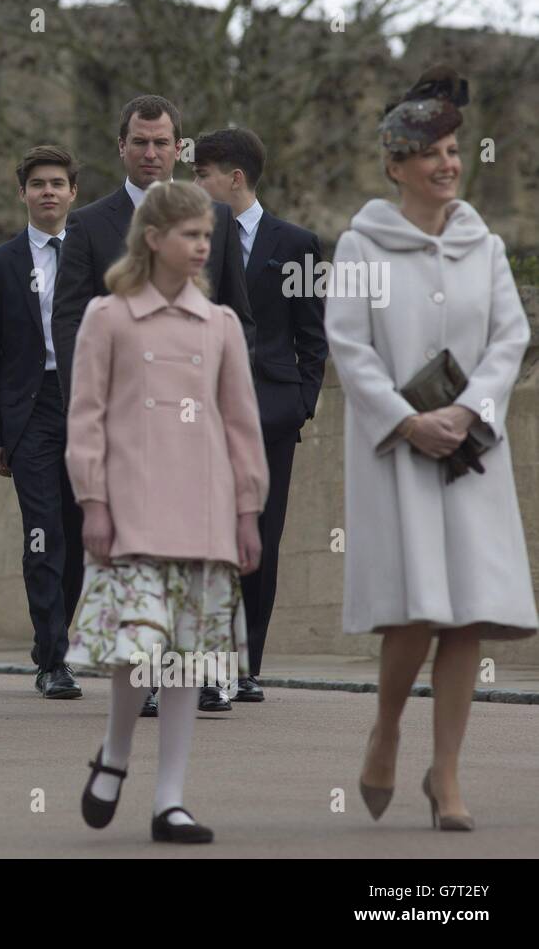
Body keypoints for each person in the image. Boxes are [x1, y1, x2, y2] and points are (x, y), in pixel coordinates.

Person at [328, 66, 536, 831]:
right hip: (401, 453)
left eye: (453, 148)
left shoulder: (484, 243)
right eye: (431, 153)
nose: (448, 162)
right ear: (396, 164)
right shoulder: (360, 243)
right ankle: (385, 730)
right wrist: (410, 421)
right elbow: (348, 346)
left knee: (467, 616)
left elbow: (512, 335)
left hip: (472, 453)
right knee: (415, 611)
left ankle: (446, 772)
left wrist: (470, 409)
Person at [66, 181, 267, 842]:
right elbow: (86, 418)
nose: (202, 246)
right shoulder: (109, 316)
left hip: (204, 513)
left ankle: (170, 800)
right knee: (139, 647)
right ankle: (116, 753)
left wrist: (247, 510)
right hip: (133, 509)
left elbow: (241, 425)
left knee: (187, 658)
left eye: (208, 235)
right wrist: (93, 500)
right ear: (153, 239)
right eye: (189, 234)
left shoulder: (221, 326)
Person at [51, 94, 256, 716]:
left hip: (198, 427)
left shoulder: (211, 220)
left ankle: (205, 674)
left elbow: (237, 318)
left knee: (202, 550)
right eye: (139, 142)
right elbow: (69, 324)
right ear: (122, 147)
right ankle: (143, 677)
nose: (150, 153)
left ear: (178, 149)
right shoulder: (87, 226)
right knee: (141, 553)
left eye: (161, 143)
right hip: (130, 428)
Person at [194, 128, 328, 702]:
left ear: (234, 178)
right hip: (201, 413)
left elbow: (313, 335)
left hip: (271, 415)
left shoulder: (297, 243)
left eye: (202, 174)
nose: (195, 184)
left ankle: (248, 664)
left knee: (261, 541)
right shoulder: (191, 239)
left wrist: (298, 407)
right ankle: (210, 663)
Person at [0, 144, 84, 700]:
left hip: (90, 403)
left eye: (58, 183)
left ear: (73, 193)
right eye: (38, 183)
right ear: (22, 192)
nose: (48, 191)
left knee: (83, 535)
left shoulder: (102, 258)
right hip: (32, 408)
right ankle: (55, 659)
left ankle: (51, 643)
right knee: (43, 532)